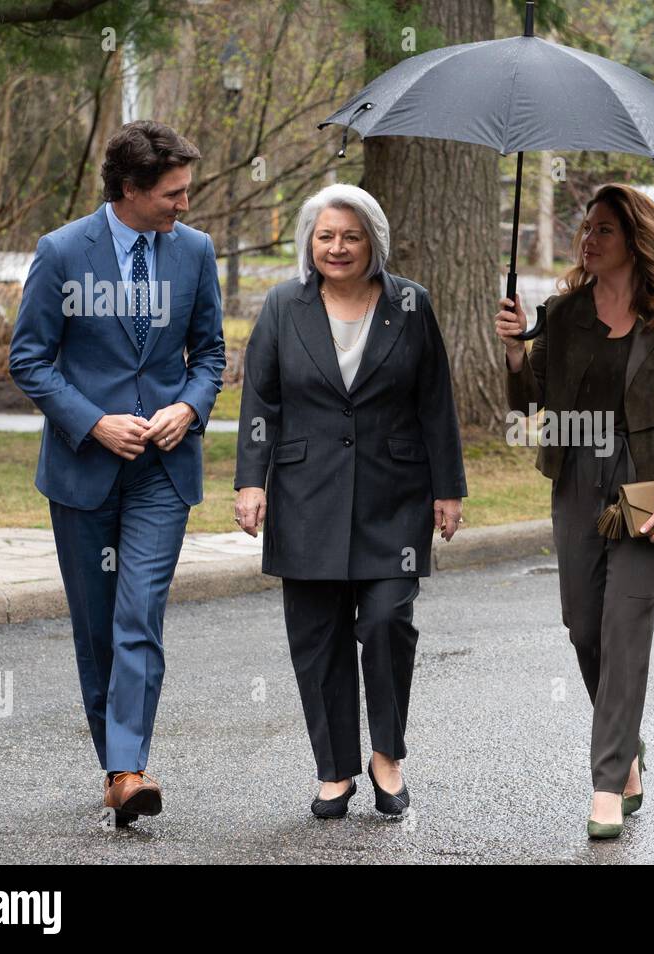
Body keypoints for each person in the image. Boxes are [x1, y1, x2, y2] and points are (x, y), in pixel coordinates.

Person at [9, 120, 225, 823]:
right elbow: (30, 359)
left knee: (140, 614)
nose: (184, 205)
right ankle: (118, 767)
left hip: (163, 473)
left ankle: (129, 768)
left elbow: (212, 356)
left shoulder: (194, 253)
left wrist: (187, 411)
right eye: (173, 193)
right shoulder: (62, 252)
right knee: (98, 626)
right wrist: (93, 421)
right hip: (83, 471)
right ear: (130, 189)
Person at [234, 183, 466, 820]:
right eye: (325, 236)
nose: (337, 248)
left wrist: (448, 488)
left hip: (394, 496)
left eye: (351, 236)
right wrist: (250, 482)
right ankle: (334, 769)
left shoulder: (411, 304)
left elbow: (435, 402)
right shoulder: (283, 306)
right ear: (311, 243)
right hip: (304, 495)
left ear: (374, 243)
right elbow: (262, 403)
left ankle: (387, 755)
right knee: (318, 637)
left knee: (389, 621)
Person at [494, 184, 654, 839]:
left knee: (624, 632)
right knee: (584, 626)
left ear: (635, 238)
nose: (589, 239)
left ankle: (607, 785)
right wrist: (514, 350)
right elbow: (532, 401)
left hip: (644, 485)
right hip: (578, 479)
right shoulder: (565, 311)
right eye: (587, 228)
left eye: (604, 229)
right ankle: (629, 749)